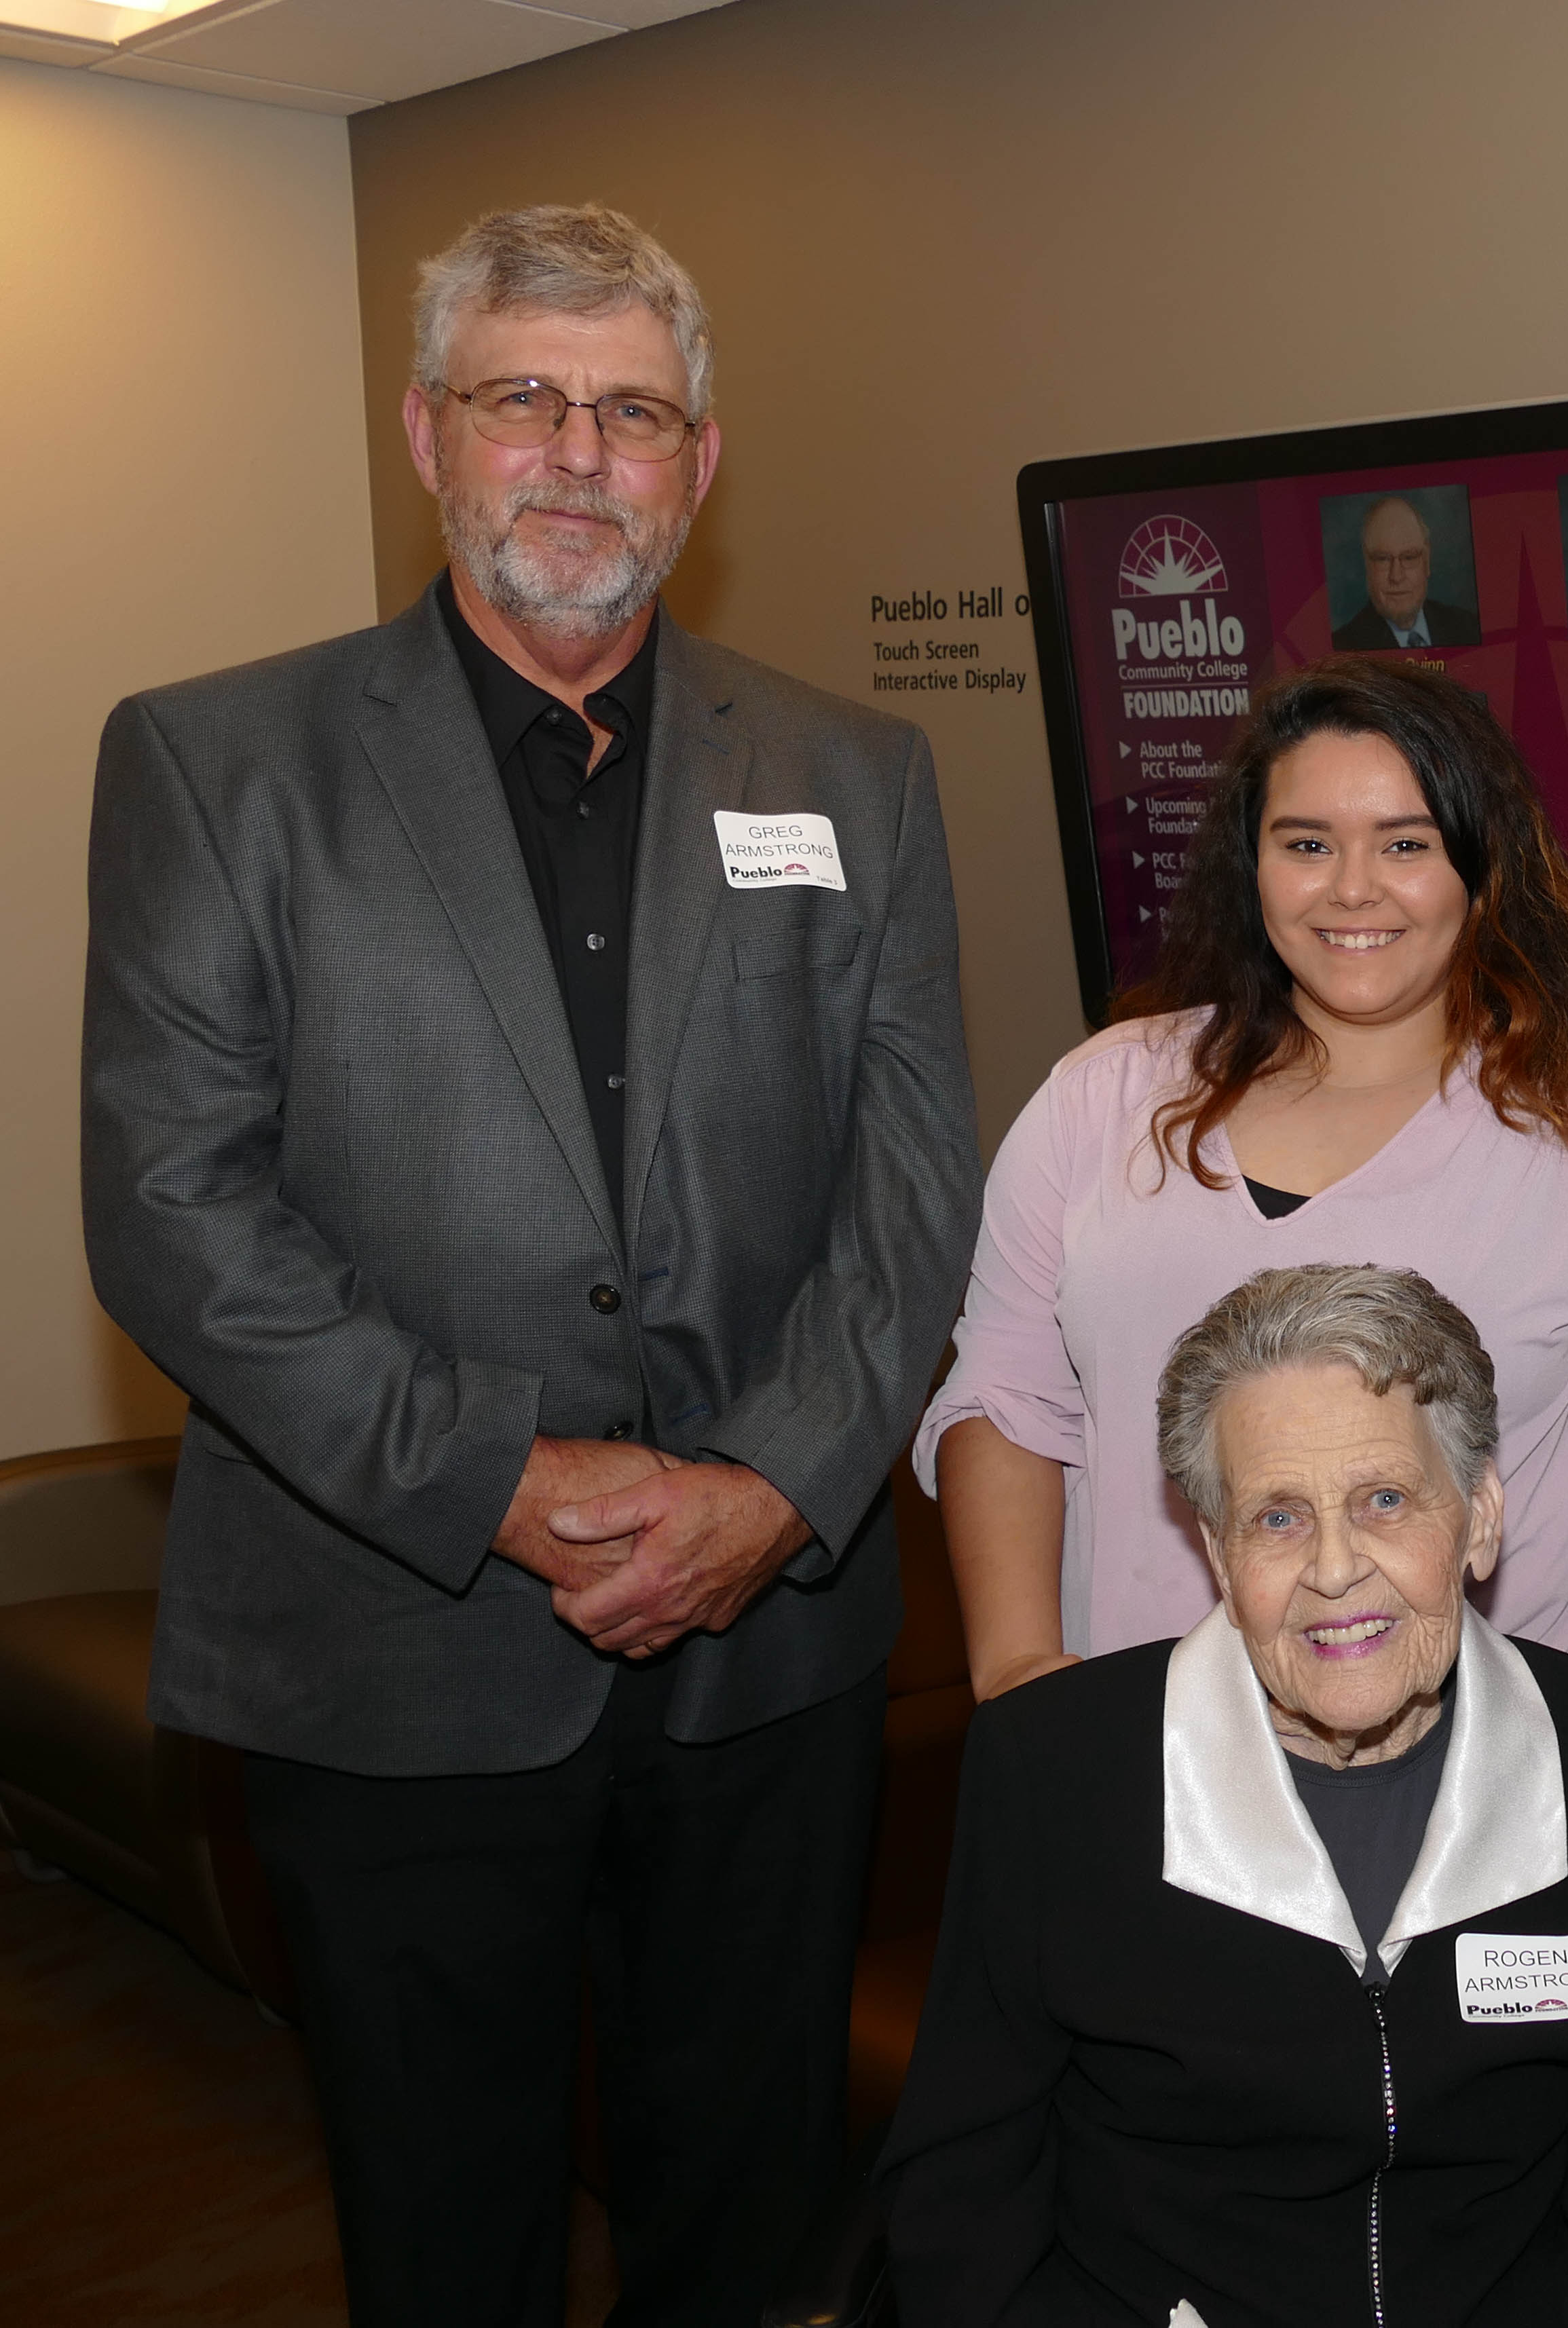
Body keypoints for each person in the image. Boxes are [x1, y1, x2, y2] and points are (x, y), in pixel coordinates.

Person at [79, 203, 981, 2328]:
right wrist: (497, 1478)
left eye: (629, 412)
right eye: (523, 401)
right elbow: (173, 1206)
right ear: (427, 433)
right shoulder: (220, 764)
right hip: (394, 1647)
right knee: (443, 2231)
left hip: (769, 1663)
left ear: (702, 459)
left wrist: (770, 1483)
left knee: (742, 2214)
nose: (576, 454)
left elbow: (917, 1184)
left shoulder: (853, 772)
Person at [918, 656, 1568, 1921]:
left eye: (1402, 841)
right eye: (1305, 842)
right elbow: (1004, 1395)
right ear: (1249, 863)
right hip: (1149, 1774)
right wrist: (1017, 1678)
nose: (1351, 890)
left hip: (1497, 1798)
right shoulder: (1102, 1099)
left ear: (1478, 863)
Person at [886, 1262, 1568, 2321]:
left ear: (1478, 1520)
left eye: (1385, 1499)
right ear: (1219, 1556)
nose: (1335, 1569)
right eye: (1277, 1517)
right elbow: (964, 2197)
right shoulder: (1052, 1774)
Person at [1330, 491, 1482, 650]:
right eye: (1383, 559)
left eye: (1409, 557)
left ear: (1427, 561)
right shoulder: (1342, 648)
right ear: (1367, 565)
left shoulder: (1468, 627)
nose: (1396, 576)